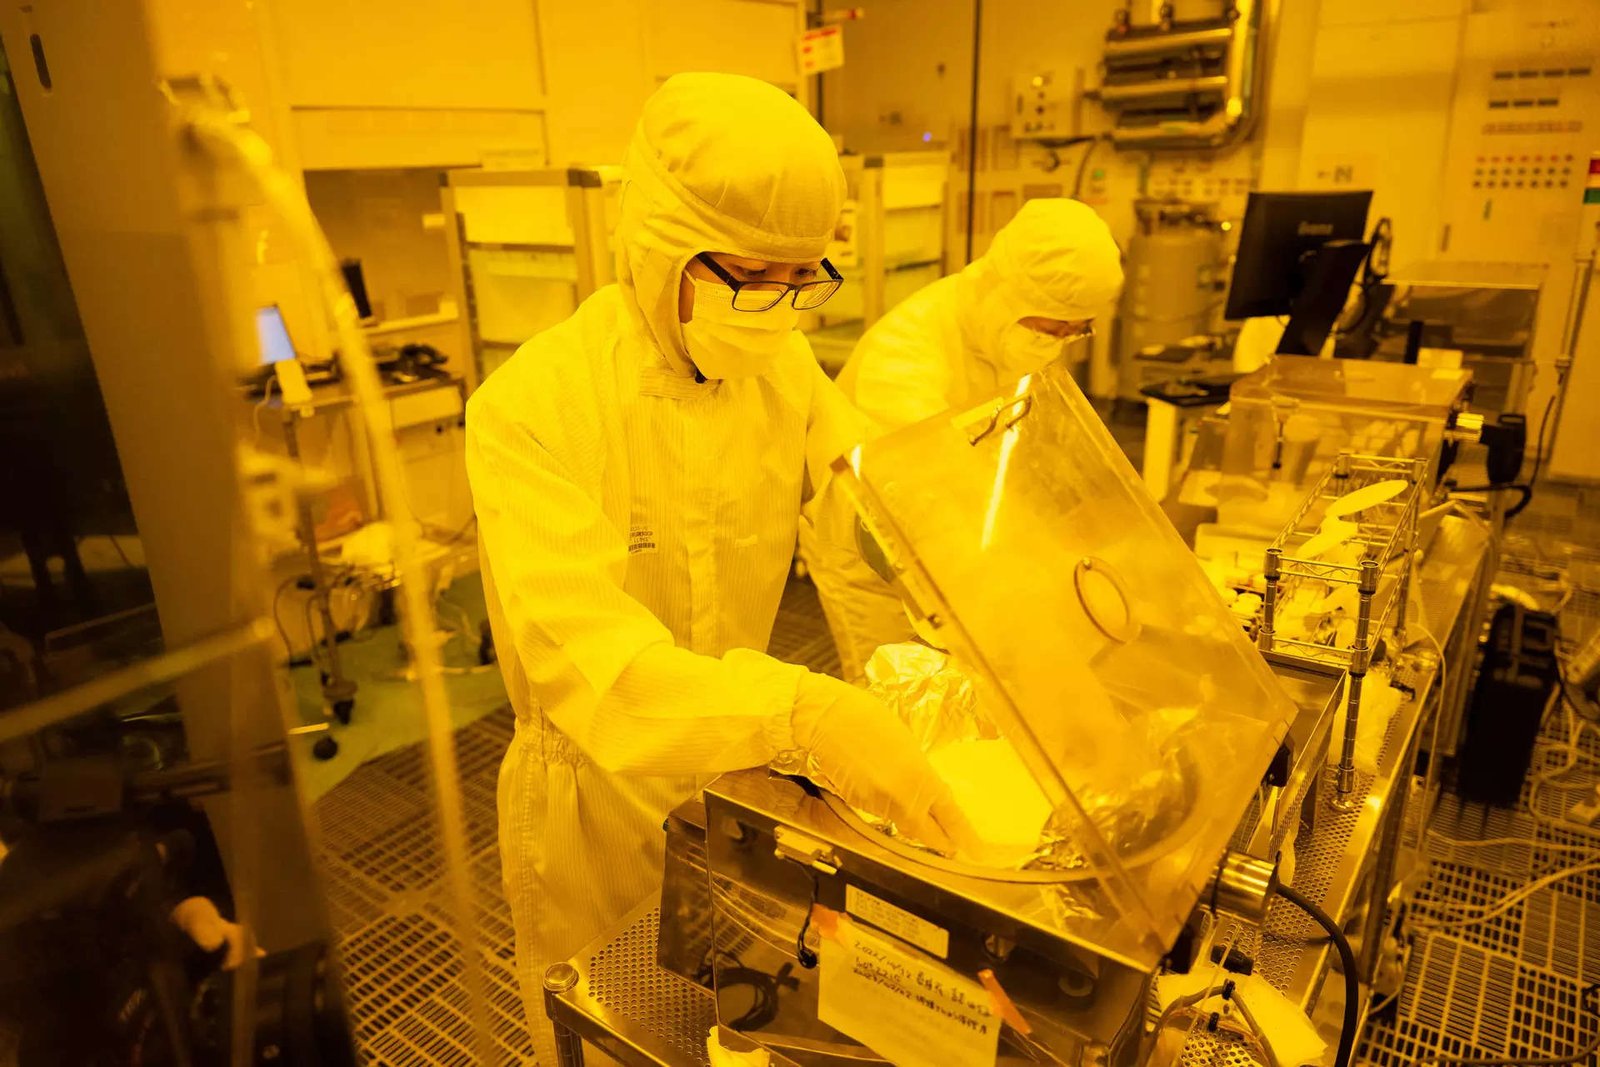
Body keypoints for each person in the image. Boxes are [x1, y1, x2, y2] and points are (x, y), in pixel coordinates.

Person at [464, 72, 972, 1062]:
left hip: (735, 783)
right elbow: (602, 676)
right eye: (751, 275)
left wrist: (974, 580)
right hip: (594, 803)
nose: (778, 306)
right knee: (615, 1035)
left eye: (803, 277)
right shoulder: (533, 406)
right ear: (660, 249)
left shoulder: (777, 364)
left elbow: (870, 503)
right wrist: (806, 712)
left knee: (729, 1023)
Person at [812, 198, 1125, 680]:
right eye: (1049, 328)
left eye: (1074, 331)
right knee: (893, 693)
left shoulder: (1007, 333)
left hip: (959, 544)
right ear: (1008, 297)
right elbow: (927, 503)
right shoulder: (902, 356)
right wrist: (1019, 582)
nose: (1058, 342)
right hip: (873, 556)